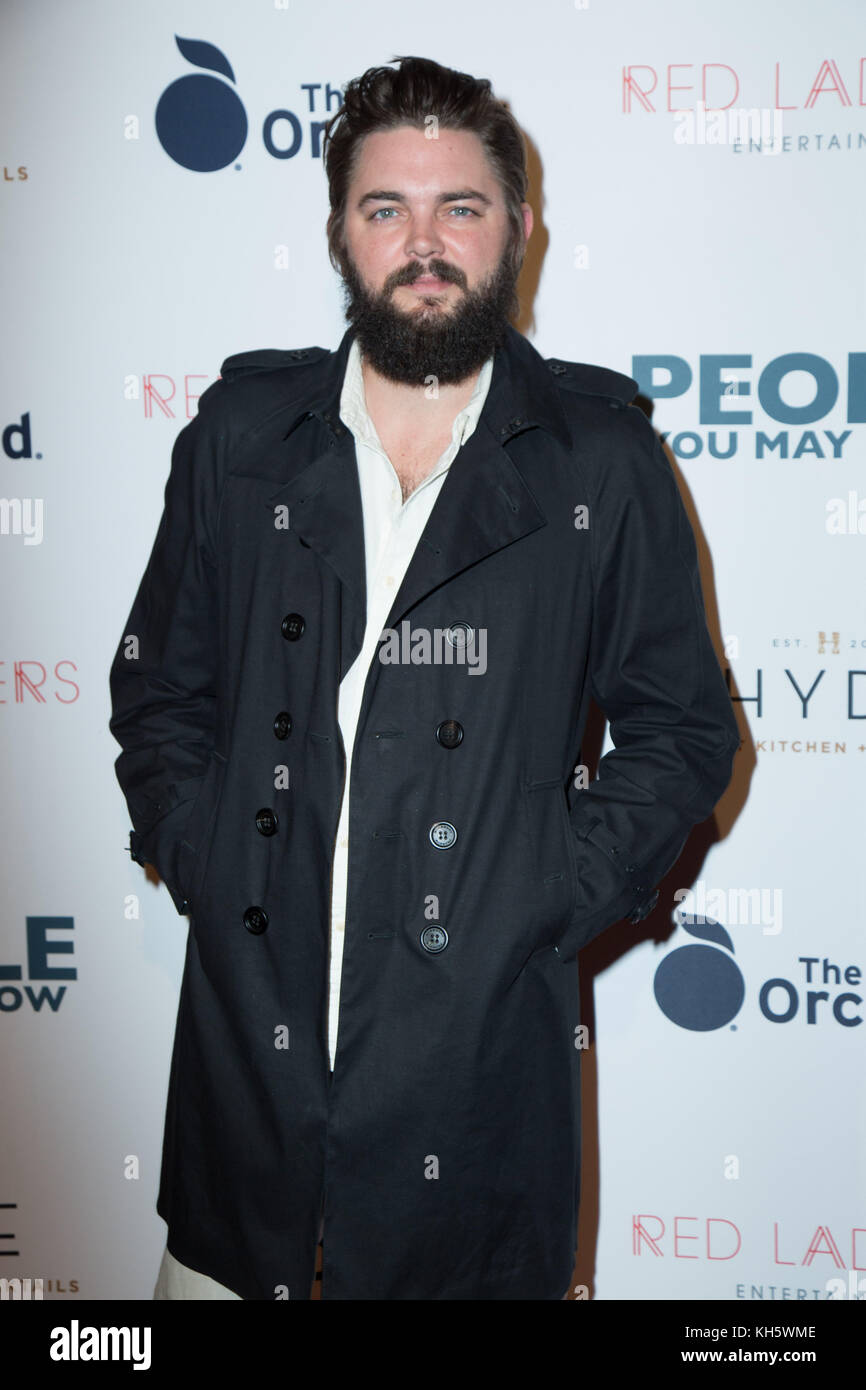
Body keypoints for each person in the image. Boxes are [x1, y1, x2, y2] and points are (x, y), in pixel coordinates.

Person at [109, 55, 740, 1301]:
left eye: (460, 206)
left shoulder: (598, 462)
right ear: (339, 233)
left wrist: (540, 900)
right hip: (249, 1088)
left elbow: (682, 733)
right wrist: (206, 849)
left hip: (479, 1077)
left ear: (518, 228)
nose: (424, 242)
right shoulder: (239, 440)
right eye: (384, 208)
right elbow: (158, 691)